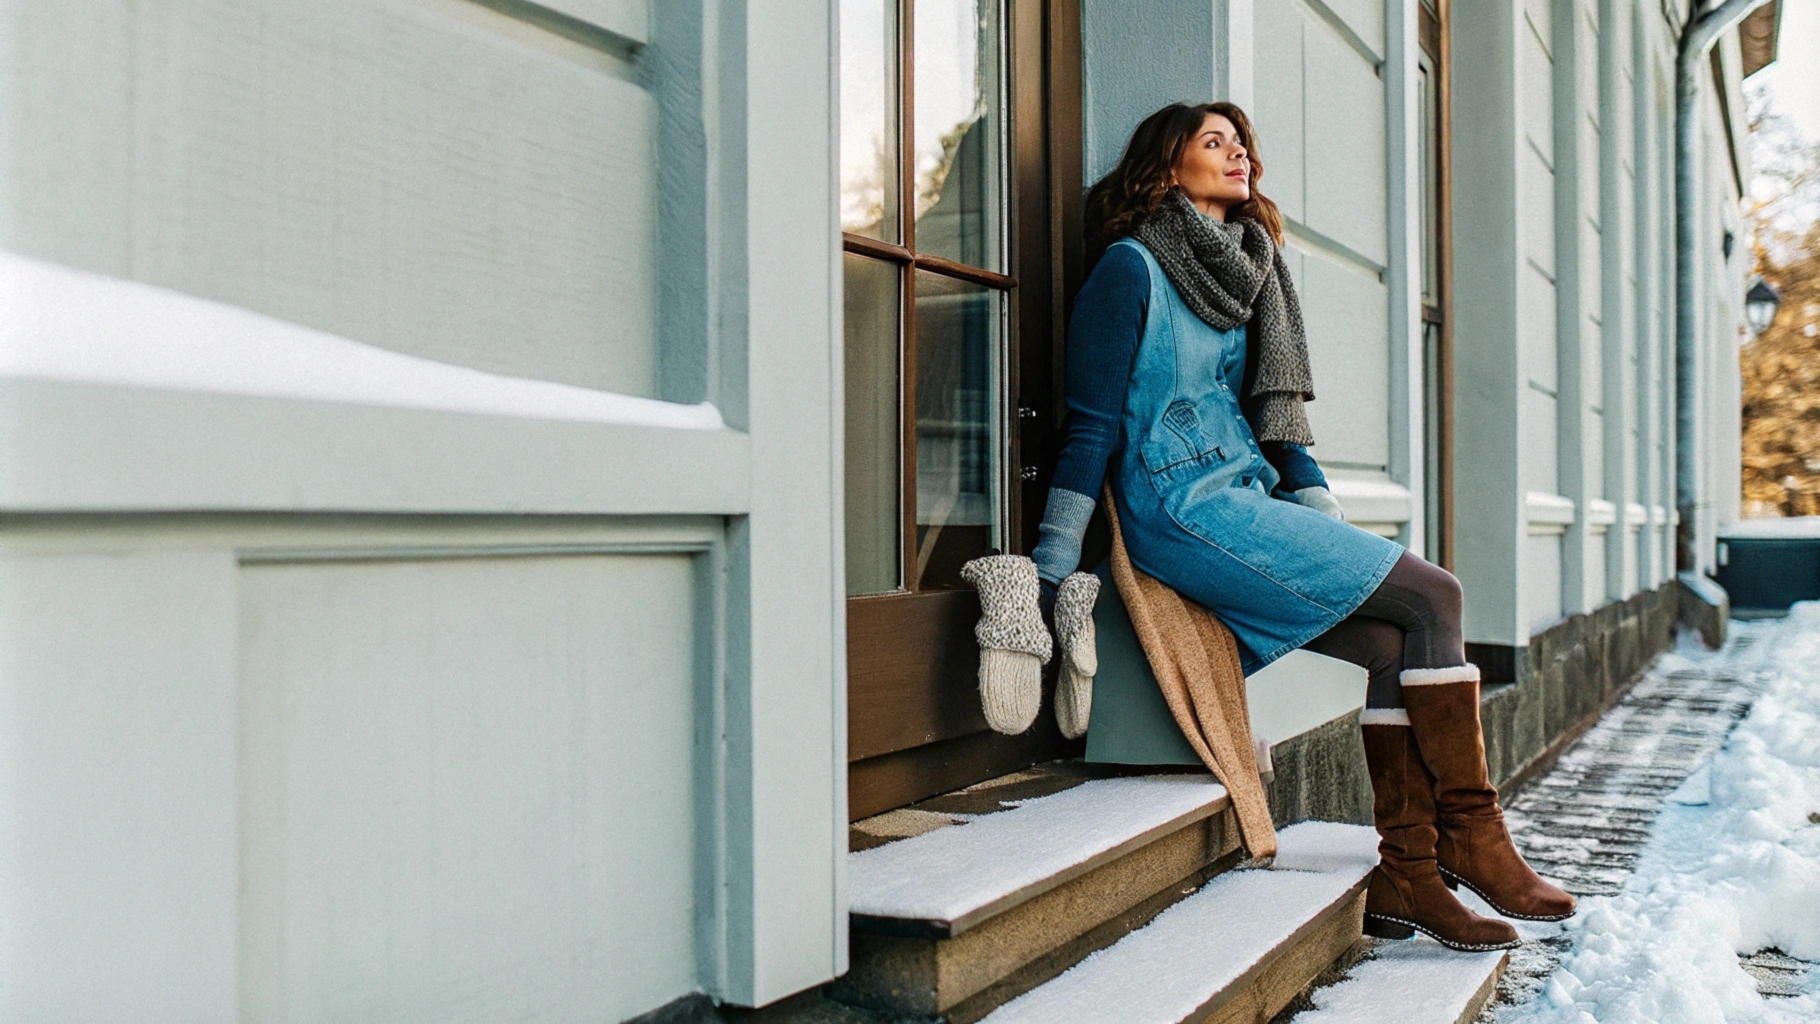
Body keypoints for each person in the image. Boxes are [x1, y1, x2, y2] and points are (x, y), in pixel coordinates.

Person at [1025, 101, 1576, 951]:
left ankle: (1409, 879)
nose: (1238, 151)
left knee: (1395, 648)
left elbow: (1276, 423)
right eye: (1214, 141)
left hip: (1247, 496)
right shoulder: (1130, 270)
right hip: (1180, 508)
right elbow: (1090, 425)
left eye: (1242, 140)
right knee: (1437, 595)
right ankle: (1471, 832)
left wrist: (1324, 516)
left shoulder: (1251, 266)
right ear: (1165, 167)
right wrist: (1053, 564)